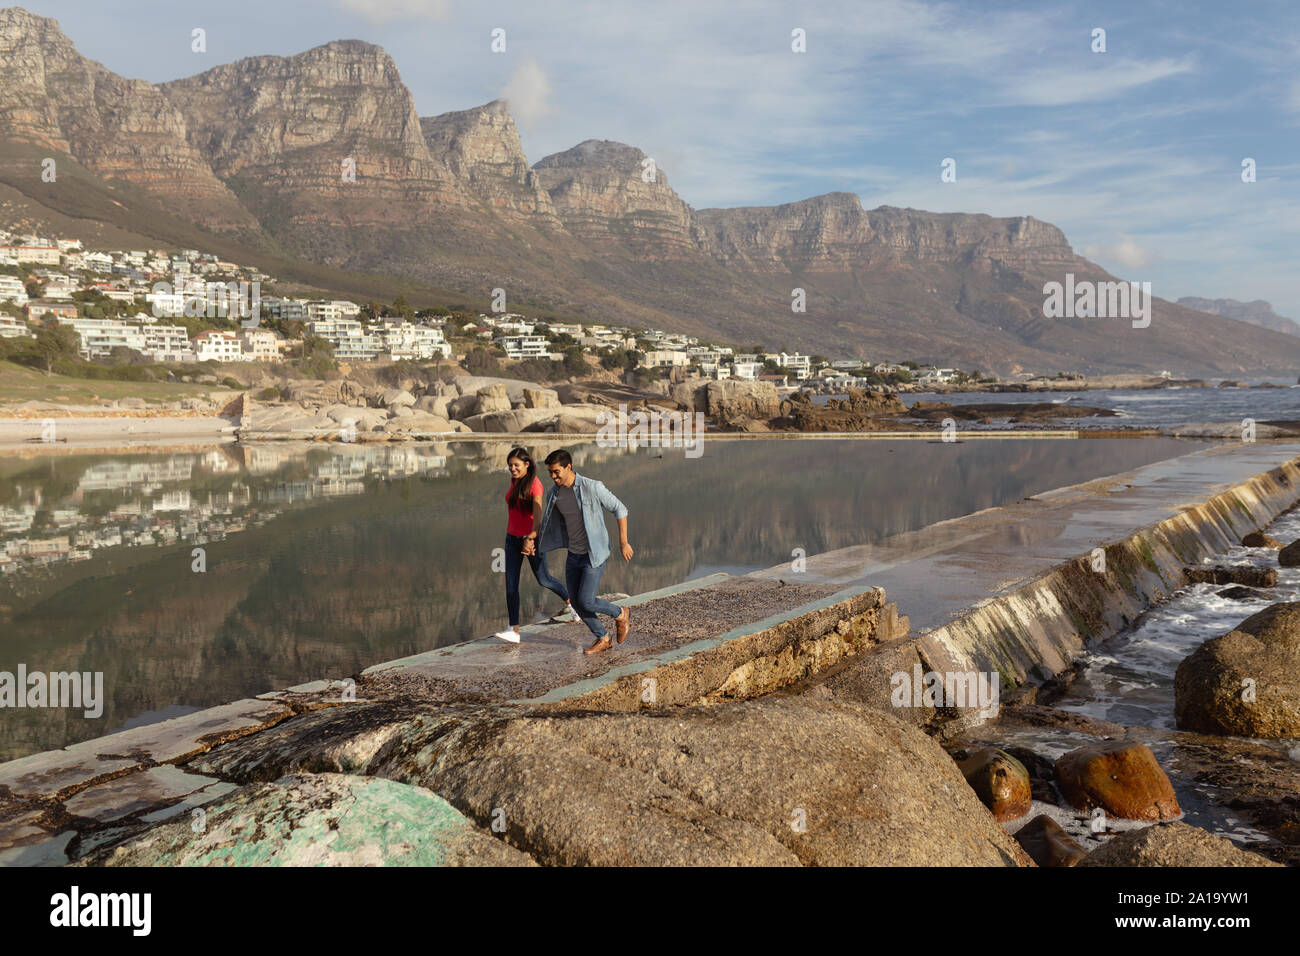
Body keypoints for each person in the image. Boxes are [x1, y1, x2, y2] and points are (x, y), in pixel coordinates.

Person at [525, 448, 633, 654]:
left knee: (586, 600)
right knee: (575, 601)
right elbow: (547, 524)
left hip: (594, 554)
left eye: (556, 471)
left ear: (569, 467)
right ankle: (603, 637)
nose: (553, 477)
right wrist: (531, 540)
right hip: (573, 555)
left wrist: (624, 542)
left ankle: (620, 613)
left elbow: (620, 509)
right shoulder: (553, 494)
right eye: (550, 473)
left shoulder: (592, 487)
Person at [499, 446, 575, 642]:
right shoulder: (514, 481)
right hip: (511, 539)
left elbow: (539, 514)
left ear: (527, 464)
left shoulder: (535, 485)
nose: (512, 469)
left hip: (531, 538)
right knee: (510, 584)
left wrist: (531, 538)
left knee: (544, 579)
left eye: (516, 465)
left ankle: (572, 603)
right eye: (510, 465)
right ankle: (513, 630)